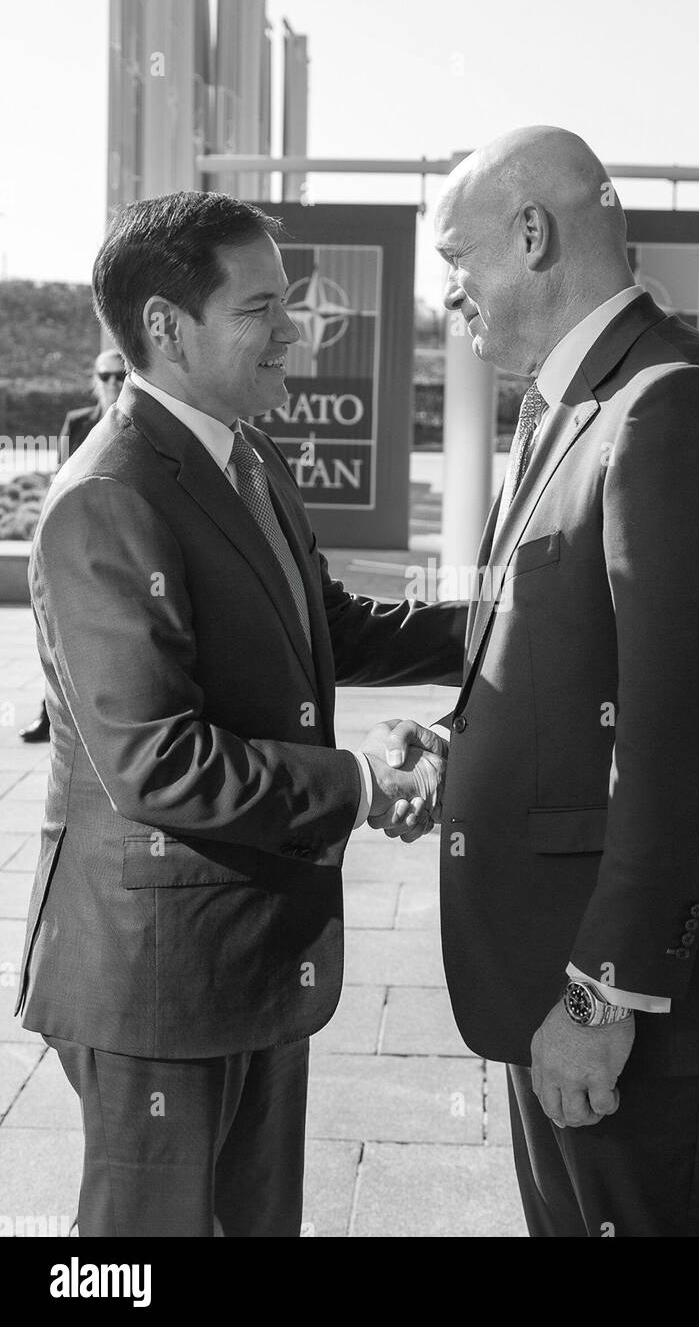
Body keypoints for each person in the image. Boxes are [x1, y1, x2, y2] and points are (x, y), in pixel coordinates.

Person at [16, 190, 465, 1237]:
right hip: (159, 979)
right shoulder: (108, 498)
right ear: (166, 330)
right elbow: (156, 761)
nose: (295, 331)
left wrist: (503, 619)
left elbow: (327, 627)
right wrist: (358, 784)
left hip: (251, 953)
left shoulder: (246, 454)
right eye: (262, 308)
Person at [429, 126, 699, 1237]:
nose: (451, 297)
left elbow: (687, 736)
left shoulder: (674, 407)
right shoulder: (581, 403)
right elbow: (575, 649)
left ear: (531, 236)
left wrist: (603, 990)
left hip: (656, 1022)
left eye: (454, 262)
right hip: (575, 1000)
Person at [18, 349, 126, 743]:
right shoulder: (78, 423)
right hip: (77, 545)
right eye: (106, 375)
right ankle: (50, 716)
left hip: (121, 548)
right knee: (58, 636)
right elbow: (59, 486)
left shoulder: (142, 424)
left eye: (120, 374)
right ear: (95, 378)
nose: (113, 382)